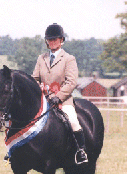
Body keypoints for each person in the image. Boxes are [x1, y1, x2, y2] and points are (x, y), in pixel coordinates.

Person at [32, 23, 88, 164]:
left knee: (73, 121)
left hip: (63, 100)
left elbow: (71, 82)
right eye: (49, 40)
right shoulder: (41, 58)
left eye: (55, 39)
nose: (52, 42)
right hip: (43, 99)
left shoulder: (69, 59)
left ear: (61, 40)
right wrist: (41, 87)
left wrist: (59, 97)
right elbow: (34, 79)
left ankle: (81, 151)